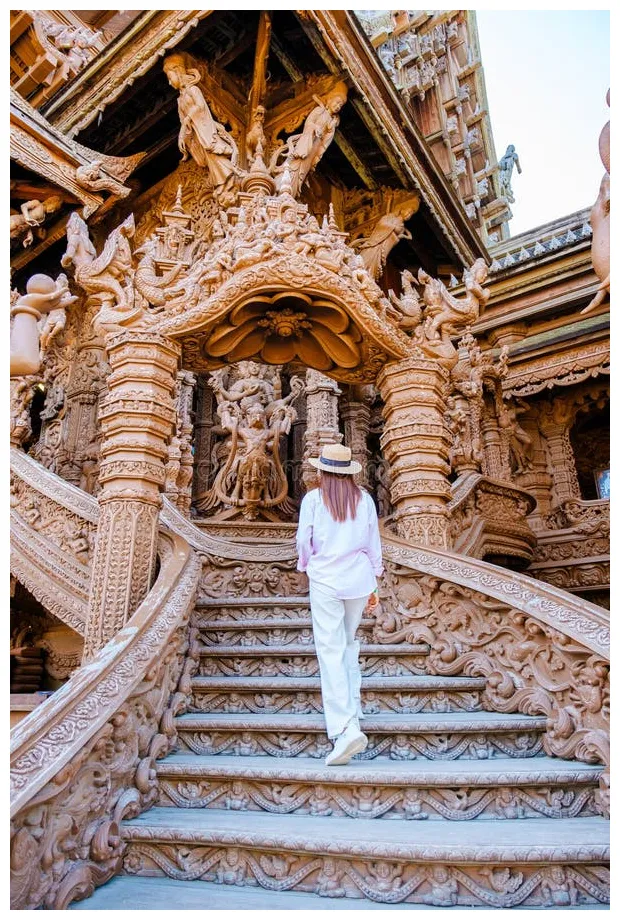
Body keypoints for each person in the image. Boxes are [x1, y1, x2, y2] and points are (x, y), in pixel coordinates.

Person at [296, 443, 383, 766]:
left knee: (330, 650)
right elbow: (373, 544)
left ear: (322, 471)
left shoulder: (314, 500)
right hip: (358, 579)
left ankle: (345, 730)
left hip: (326, 580)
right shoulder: (365, 500)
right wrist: (375, 581)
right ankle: (354, 709)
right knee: (348, 643)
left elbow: (304, 541)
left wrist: (307, 565)